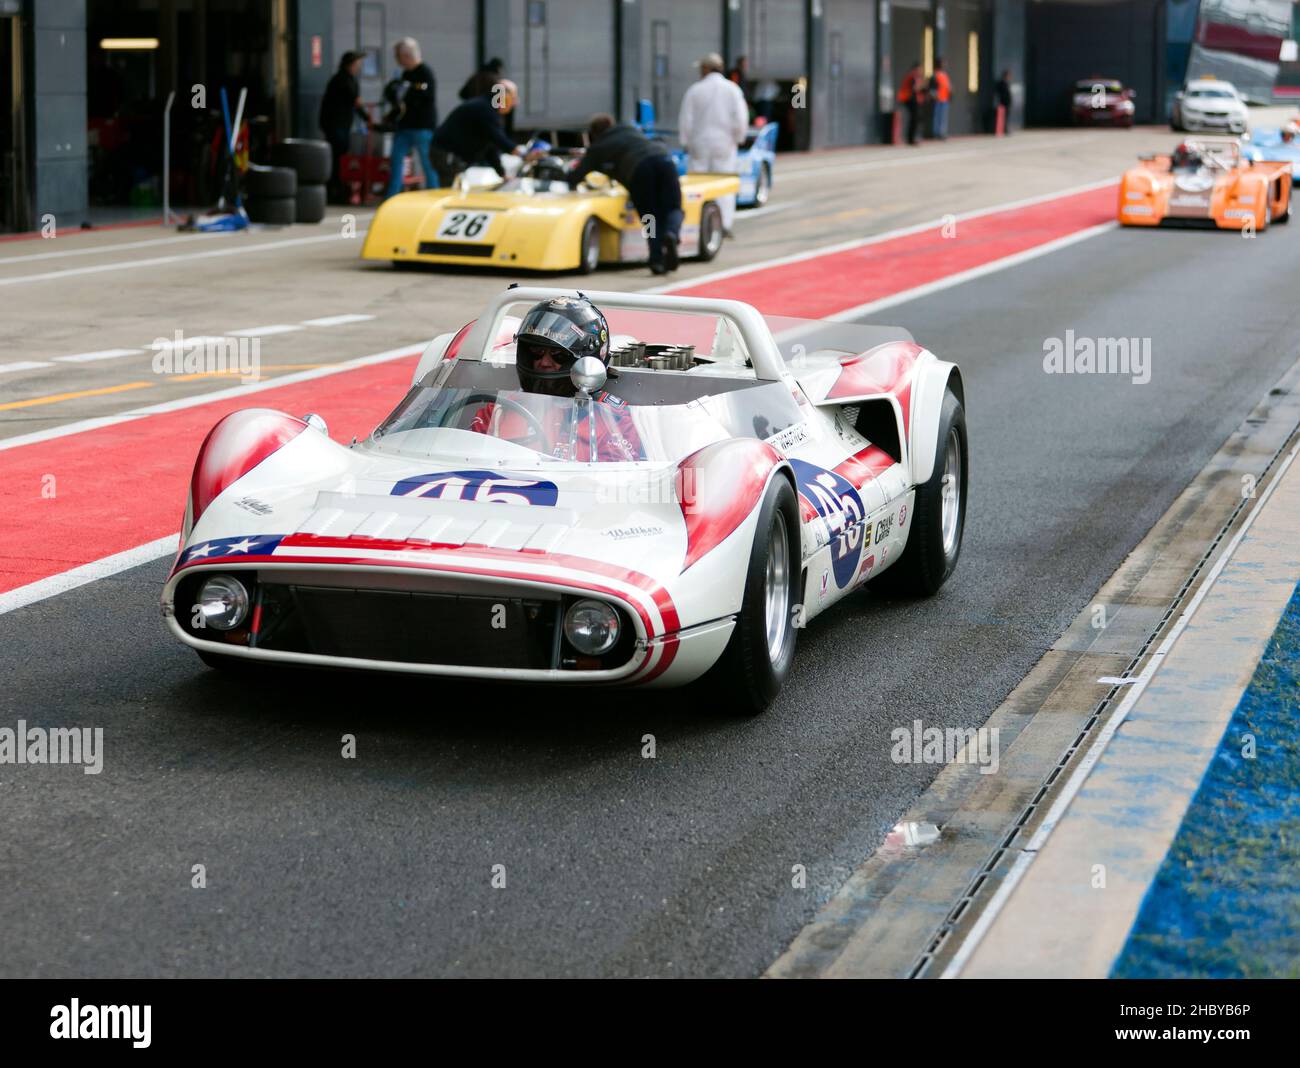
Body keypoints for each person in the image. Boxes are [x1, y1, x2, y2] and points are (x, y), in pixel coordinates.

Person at [470, 296, 643, 462]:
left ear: (587, 359)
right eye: (536, 352)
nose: (544, 362)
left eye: (558, 355)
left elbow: (617, 482)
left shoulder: (612, 418)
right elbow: (467, 462)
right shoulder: (499, 411)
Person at [568, 114, 682, 274]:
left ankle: (657, 261)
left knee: (650, 217)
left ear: (594, 133)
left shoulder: (598, 147)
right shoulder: (629, 128)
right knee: (674, 208)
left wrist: (564, 178)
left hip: (639, 169)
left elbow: (576, 175)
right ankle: (672, 233)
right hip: (664, 160)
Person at [679, 52, 748, 235]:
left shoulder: (695, 90)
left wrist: (685, 142)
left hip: (699, 143)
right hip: (724, 143)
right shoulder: (732, 89)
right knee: (724, 184)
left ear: (706, 69)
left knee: (697, 185)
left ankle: (698, 224)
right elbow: (741, 118)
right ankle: (723, 225)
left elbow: (686, 120)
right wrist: (738, 138)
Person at [432, 80, 536, 179]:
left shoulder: (486, 108)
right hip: (447, 153)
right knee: (451, 188)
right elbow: (499, 139)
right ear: (504, 96)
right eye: (513, 98)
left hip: (449, 153)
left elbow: (490, 146)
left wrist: (502, 174)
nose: (514, 104)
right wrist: (524, 154)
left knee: (455, 186)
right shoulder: (486, 110)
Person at [384, 38, 439, 198]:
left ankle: (434, 195)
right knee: (396, 162)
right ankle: (392, 197)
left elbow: (425, 95)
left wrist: (410, 92)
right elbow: (401, 101)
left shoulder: (425, 73)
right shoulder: (405, 74)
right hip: (404, 126)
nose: (397, 60)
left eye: (398, 56)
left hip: (422, 127)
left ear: (406, 56)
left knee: (428, 164)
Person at [319, 51, 369, 203]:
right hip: (337, 125)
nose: (358, 67)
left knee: (337, 158)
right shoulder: (344, 80)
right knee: (339, 159)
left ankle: (337, 190)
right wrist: (368, 118)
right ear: (350, 64)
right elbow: (356, 101)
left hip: (336, 124)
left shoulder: (342, 79)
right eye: (357, 64)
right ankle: (337, 192)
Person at [898, 61, 924, 145]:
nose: (921, 71)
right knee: (914, 119)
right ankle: (911, 138)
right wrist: (922, 87)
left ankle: (912, 138)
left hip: (912, 99)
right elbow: (914, 88)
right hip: (910, 99)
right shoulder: (913, 76)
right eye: (920, 69)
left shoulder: (914, 76)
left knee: (915, 119)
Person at [929, 57, 951, 140]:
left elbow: (947, 86)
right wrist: (934, 96)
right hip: (938, 99)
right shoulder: (935, 75)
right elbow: (932, 87)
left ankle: (942, 132)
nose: (944, 65)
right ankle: (936, 133)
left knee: (943, 117)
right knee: (937, 117)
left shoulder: (944, 75)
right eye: (943, 63)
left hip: (945, 98)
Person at [995, 69, 1013, 134]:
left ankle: (1005, 129)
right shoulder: (1001, 84)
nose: (1010, 77)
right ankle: (1003, 130)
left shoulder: (1006, 83)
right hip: (1003, 102)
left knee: (1006, 117)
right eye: (1008, 75)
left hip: (1007, 103)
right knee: (1003, 117)